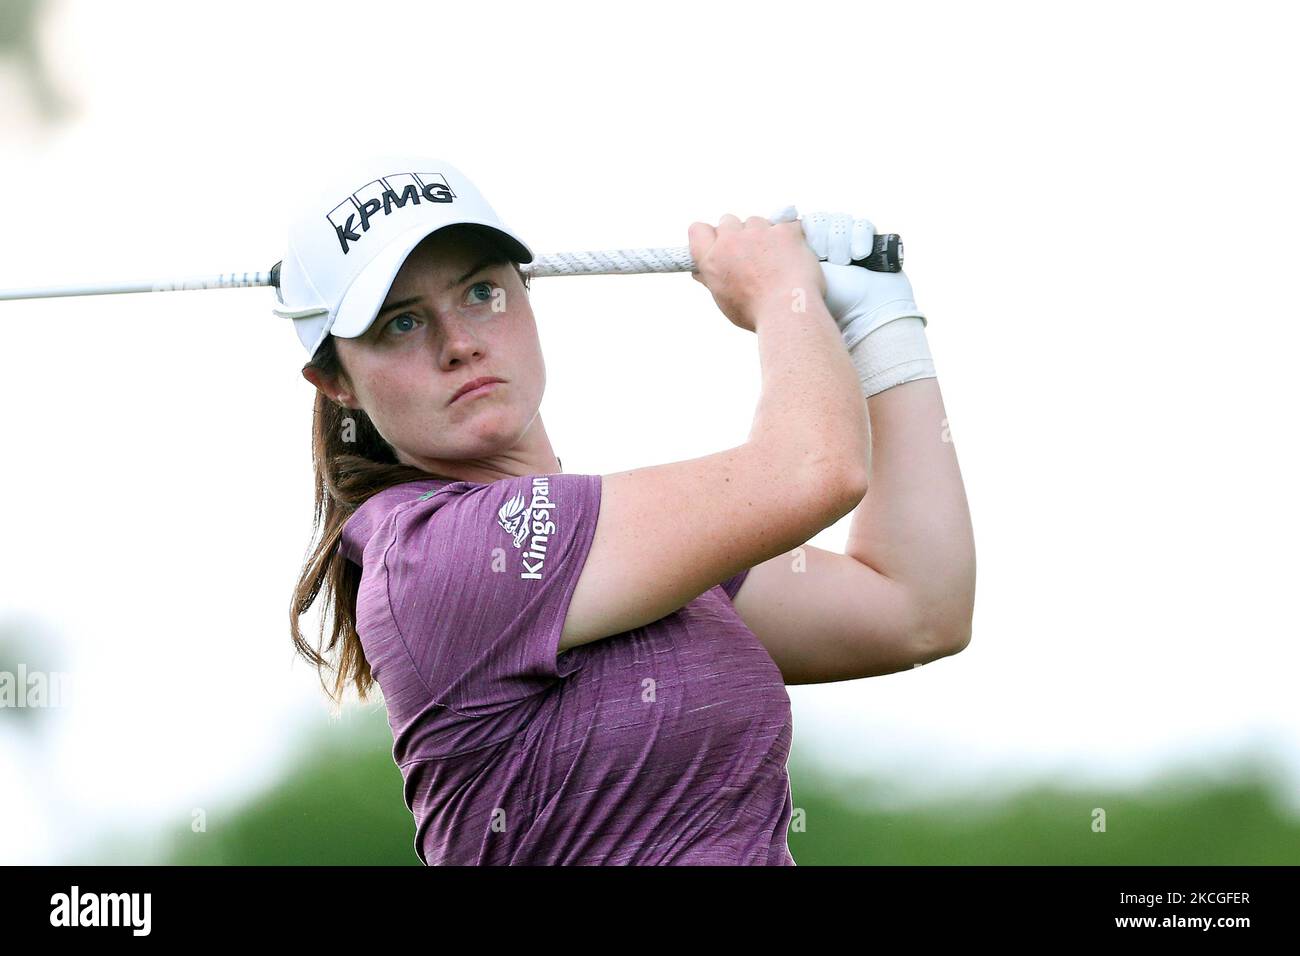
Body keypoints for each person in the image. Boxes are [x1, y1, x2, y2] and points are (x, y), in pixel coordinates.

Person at [282, 156, 976, 865]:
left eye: (482, 292)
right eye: (401, 324)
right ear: (336, 383)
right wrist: (782, 293)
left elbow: (917, 608)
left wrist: (882, 323)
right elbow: (812, 470)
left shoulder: (622, 547)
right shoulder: (429, 554)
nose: (459, 343)